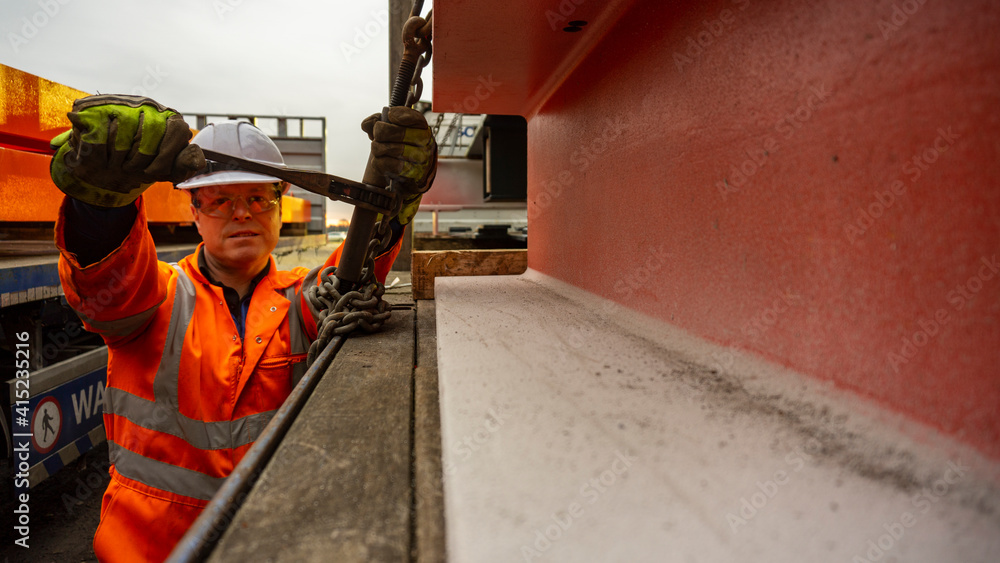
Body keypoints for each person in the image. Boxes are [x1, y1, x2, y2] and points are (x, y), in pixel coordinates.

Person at [50, 94, 436, 562]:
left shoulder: (302, 298)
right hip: (150, 551)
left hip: (273, 541)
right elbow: (108, 285)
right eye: (220, 200)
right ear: (193, 211)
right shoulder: (159, 298)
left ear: (279, 204)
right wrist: (101, 210)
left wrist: (392, 205)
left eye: (258, 196)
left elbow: (351, 280)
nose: (242, 212)